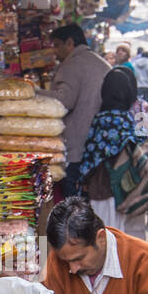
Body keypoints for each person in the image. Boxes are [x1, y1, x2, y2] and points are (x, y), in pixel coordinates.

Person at [78, 69, 148, 239]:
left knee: (102, 233)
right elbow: (142, 144)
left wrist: (82, 182)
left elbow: (90, 155)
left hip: (101, 187)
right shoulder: (133, 117)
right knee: (121, 235)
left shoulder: (101, 119)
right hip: (126, 187)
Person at [46, 23, 111, 198]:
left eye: (57, 45)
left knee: (73, 204)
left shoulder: (73, 64)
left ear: (70, 42)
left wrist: (34, 94)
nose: (55, 51)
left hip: (77, 147)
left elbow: (64, 101)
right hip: (96, 144)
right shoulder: (98, 61)